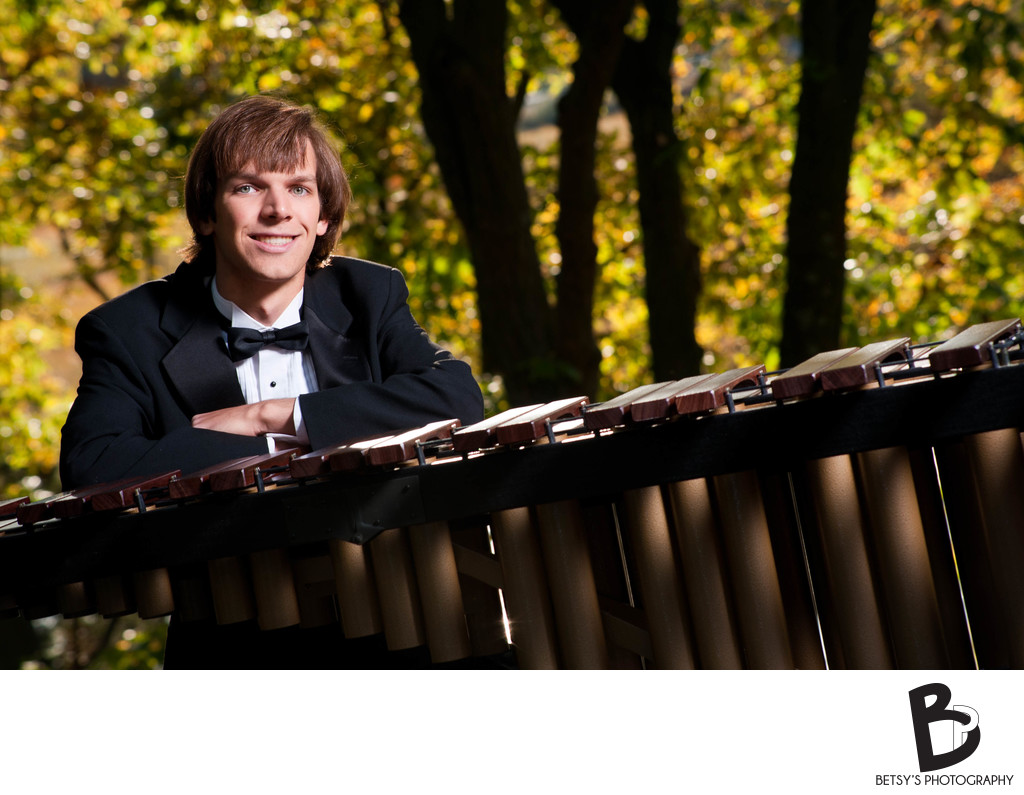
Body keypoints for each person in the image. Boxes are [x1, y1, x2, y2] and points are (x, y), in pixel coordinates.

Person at [58, 95, 486, 668]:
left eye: (300, 189)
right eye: (248, 187)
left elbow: (457, 396)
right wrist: (266, 453)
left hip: (396, 617)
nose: (278, 211)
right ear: (207, 214)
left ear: (324, 217)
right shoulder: (128, 330)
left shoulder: (371, 295)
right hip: (232, 636)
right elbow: (94, 462)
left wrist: (279, 415)